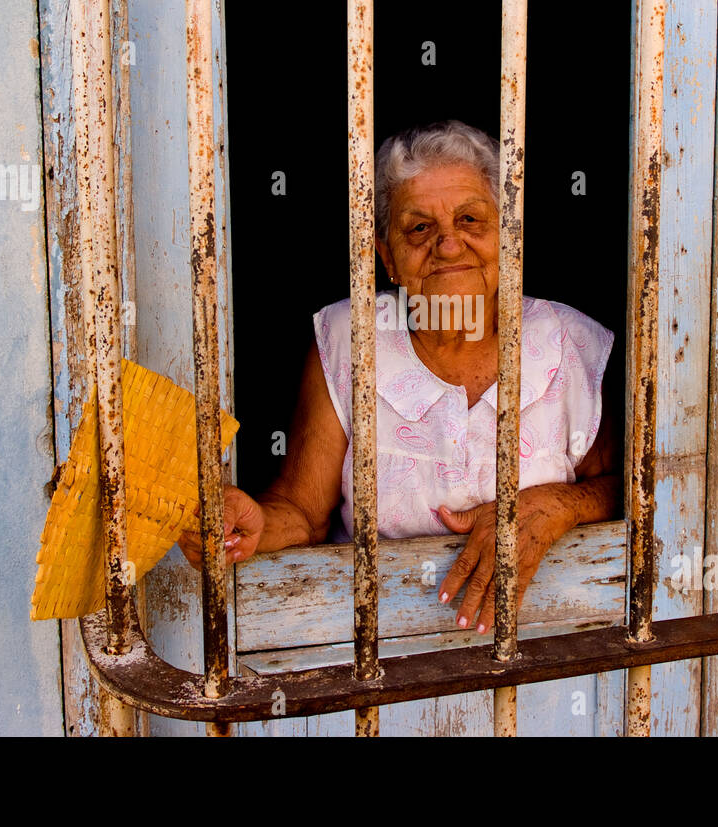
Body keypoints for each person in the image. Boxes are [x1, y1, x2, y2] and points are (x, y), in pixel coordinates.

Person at [180, 119, 621, 634]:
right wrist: (247, 526)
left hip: (551, 640)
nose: (449, 245)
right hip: (377, 644)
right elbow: (302, 511)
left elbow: (628, 487)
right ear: (387, 256)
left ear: (509, 238)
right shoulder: (351, 340)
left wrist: (555, 505)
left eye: (471, 220)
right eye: (418, 228)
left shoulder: (570, 343)